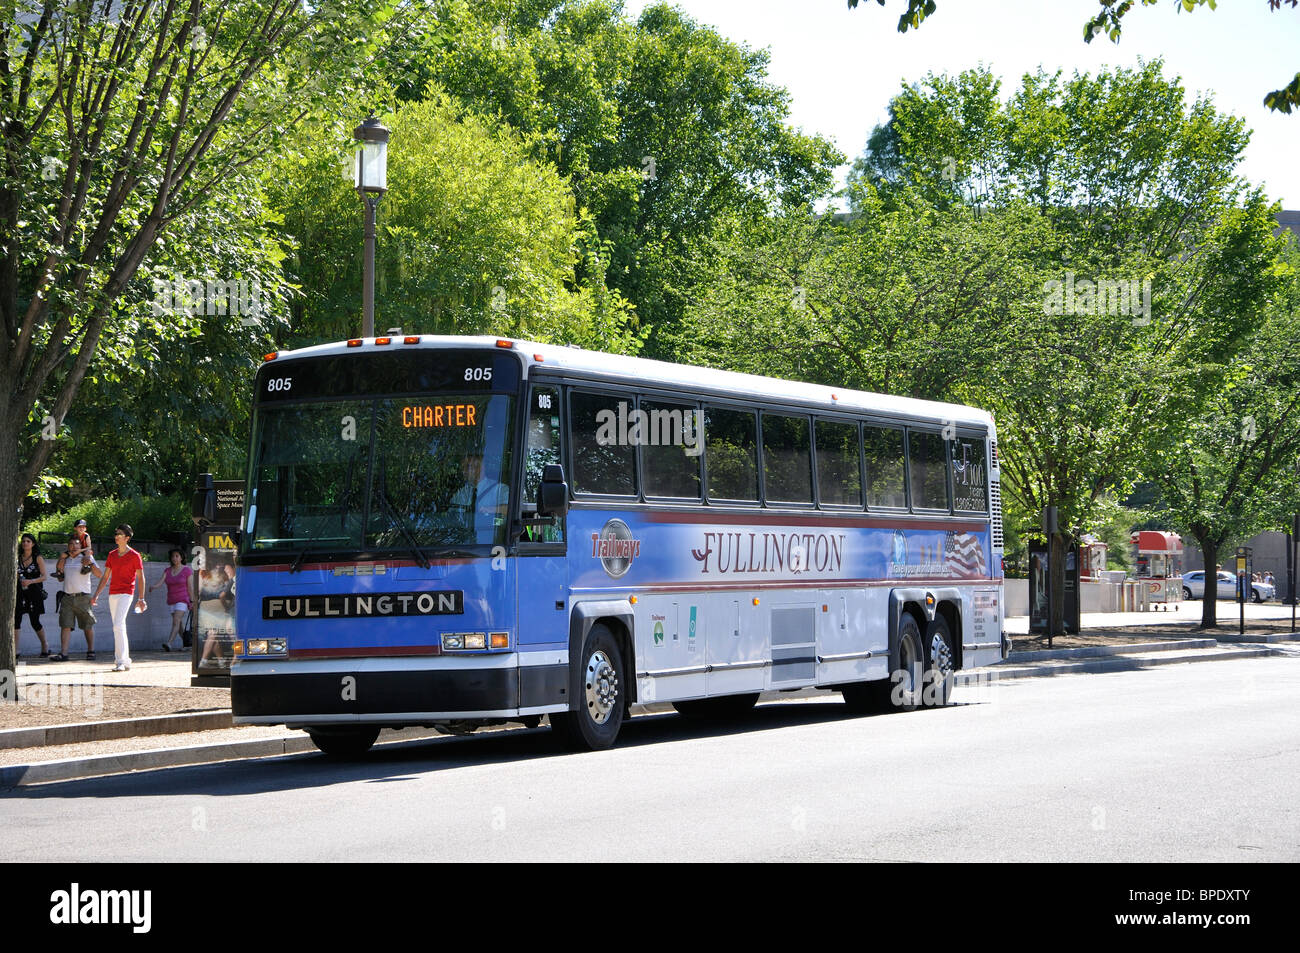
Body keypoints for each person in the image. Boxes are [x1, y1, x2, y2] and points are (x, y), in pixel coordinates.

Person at [91, 524, 147, 672]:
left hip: (126, 593)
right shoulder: (112, 555)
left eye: (120, 534)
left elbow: (141, 578)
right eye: (116, 534)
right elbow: (105, 577)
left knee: (118, 624)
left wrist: (141, 598)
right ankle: (125, 660)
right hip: (113, 594)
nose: (116, 536)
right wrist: (96, 595)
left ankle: (120, 661)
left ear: (127, 538)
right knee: (118, 627)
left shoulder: (135, 555)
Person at [49, 537, 103, 661]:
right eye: (71, 544)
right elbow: (60, 578)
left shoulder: (86, 557)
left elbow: (99, 574)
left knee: (87, 625)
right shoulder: (66, 558)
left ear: (81, 546)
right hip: (67, 597)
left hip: (83, 597)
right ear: (68, 546)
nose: (74, 546)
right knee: (65, 625)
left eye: (76, 544)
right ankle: (64, 653)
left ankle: (91, 650)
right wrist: (61, 560)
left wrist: (89, 562)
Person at [149, 548, 193, 651]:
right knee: (179, 624)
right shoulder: (167, 570)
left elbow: (190, 587)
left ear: (181, 557)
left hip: (183, 599)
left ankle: (169, 643)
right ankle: (187, 645)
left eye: (177, 556)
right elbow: (161, 581)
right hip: (172, 600)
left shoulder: (187, 570)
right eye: (173, 556)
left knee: (176, 621)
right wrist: (154, 587)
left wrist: (192, 601)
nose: (174, 558)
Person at [14, 532, 49, 658]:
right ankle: (15, 650)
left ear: (33, 544)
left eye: (28, 541)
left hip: (34, 592)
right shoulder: (17, 557)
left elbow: (45, 576)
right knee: (16, 620)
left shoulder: (37, 557)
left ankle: (45, 645)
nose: (25, 543)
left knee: (35, 621)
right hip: (20, 592)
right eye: (23, 541)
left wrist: (31, 581)